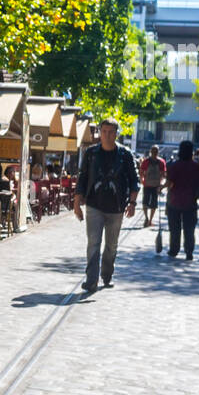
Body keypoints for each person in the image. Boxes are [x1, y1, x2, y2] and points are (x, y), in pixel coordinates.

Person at [73, 116, 138, 293]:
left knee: (111, 245)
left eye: (111, 132)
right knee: (93, 242)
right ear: (99, 133)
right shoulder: (91, 153)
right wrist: (77, 204)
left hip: (116, 208)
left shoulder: (125, 155)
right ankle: (91, 279)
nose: (107, 135)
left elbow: (134, 181)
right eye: (104, 132)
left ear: (116, 134)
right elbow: (82, 178)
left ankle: (107, 274)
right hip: (94, 205)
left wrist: (132, 203)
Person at [163, 139, 199, 260]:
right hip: (191, 202)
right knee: (189, 229)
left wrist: (160, 188)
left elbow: (170, 182)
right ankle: (189, 251)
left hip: (174, 201)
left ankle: (174, 250)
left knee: (174, 229)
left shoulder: (175, 165)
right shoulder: (197, 167)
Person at [138, 145, 167, 228]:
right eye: (154, 151)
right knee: (151, 203)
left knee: (147, 202)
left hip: (150, 185)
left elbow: (141, 172)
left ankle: (148, 219)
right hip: (152, 185)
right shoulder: (159, 162)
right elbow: (163, 174)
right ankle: (149, 220)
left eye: (155, 151)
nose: (154, 153)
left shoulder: (148, 161)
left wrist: (142, 180)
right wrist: (160, 183)